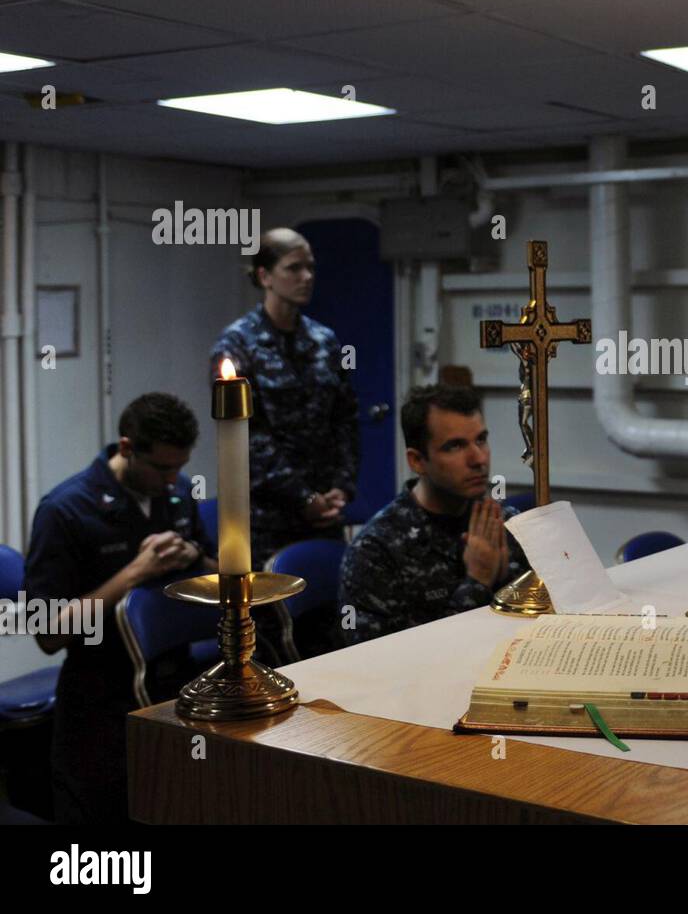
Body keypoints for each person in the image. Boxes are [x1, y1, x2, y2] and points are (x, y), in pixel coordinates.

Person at [23, 393, 217, 824]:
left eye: (180, 467)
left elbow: (222, 574)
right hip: (100, 695)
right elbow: (47, 634)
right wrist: (134, 573)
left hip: (176, 683)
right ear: (127, 448)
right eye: (163, 468)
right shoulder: (66, 510)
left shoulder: (179, 493)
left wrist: (193, 558)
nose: (174, 480)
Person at [210, 227, 360, 573]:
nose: (306, 277)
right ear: (264, 276)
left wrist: (342, 487)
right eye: (294, 268)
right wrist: (302, 497)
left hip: (325, 513)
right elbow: (247, 436)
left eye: (310, 267)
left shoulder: (324, 340)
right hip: (270, 517)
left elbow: (345, 419)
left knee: (327, 613)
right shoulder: (238, 344)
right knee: (271, 618)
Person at [339, 384, 527, 645]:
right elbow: (382, 666)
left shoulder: (504, 523)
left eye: (481, 440)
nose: (478, 459)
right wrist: (478, 582)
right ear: (417, 461)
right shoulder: (376, 551)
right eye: (455, 446)